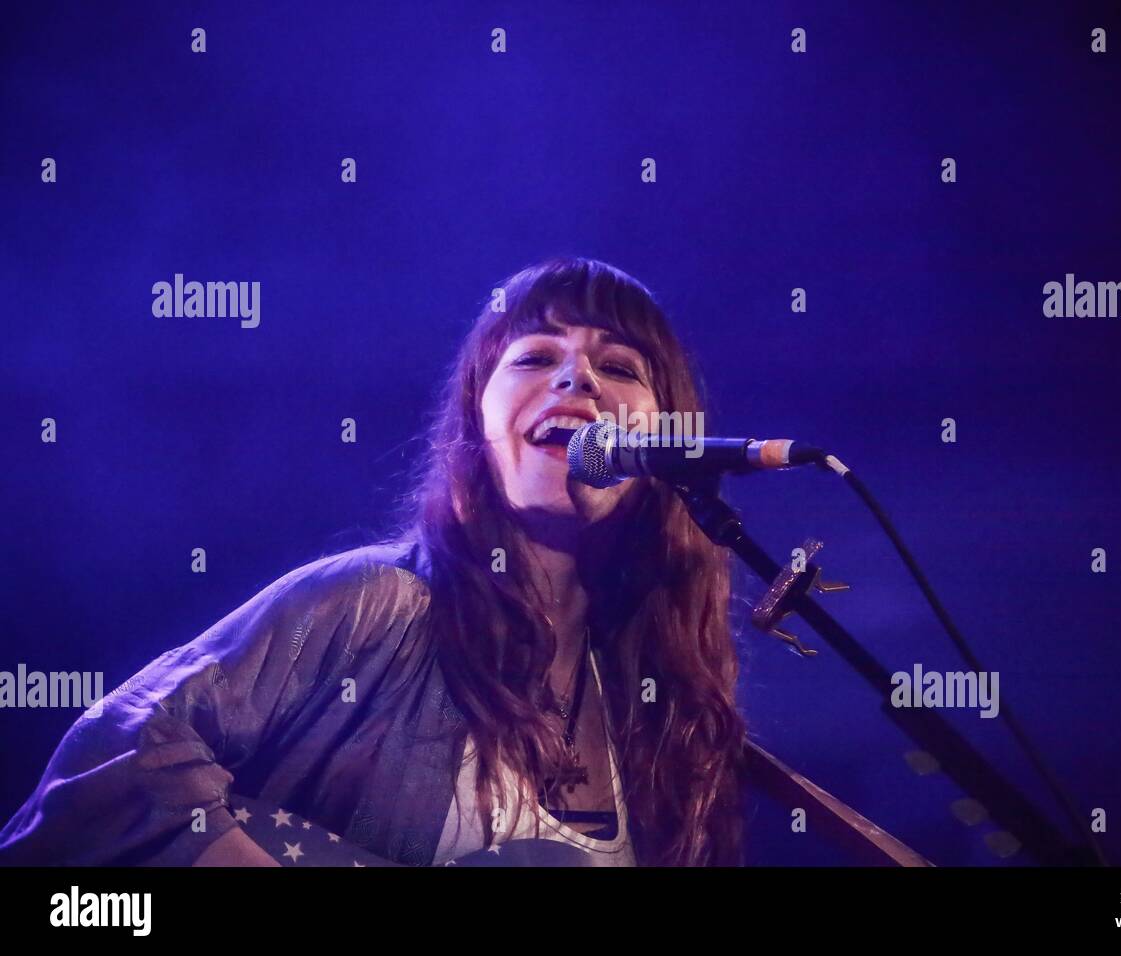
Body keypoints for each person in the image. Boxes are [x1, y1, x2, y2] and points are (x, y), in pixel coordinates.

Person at [0, 257, 747, 867]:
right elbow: (119, 746)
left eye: (619, 366)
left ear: (669, 442)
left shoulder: (669, 711)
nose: (576, 378)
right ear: (477, 427)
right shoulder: (376, 604)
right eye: (535, 356)